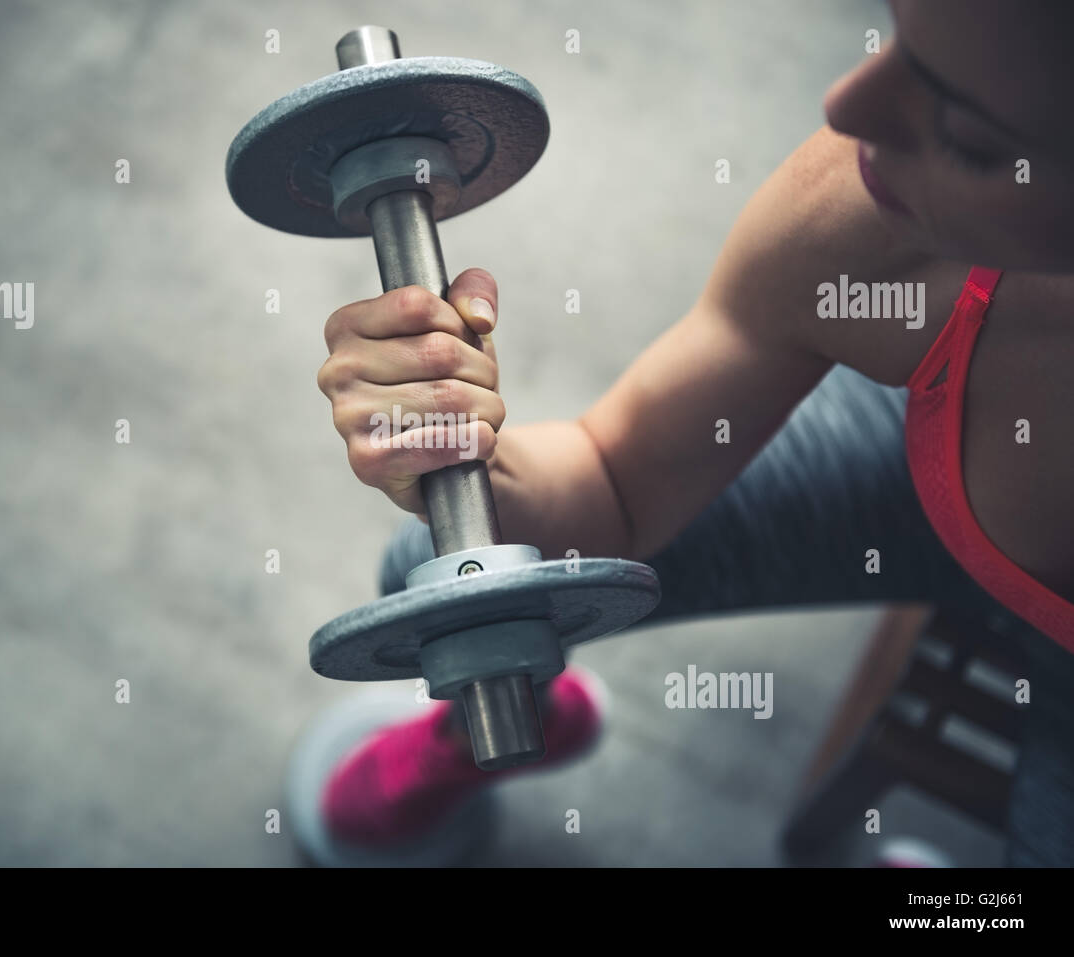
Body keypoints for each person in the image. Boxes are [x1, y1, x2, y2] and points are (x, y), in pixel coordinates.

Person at [303, 0, 1074, 866]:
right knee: (445, 577)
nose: (848, 108)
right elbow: (616, 480)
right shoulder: (863, 210)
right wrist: (454, 447)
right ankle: (510, 710)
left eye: (967, 133)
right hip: (941, 480)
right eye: (903, 41)